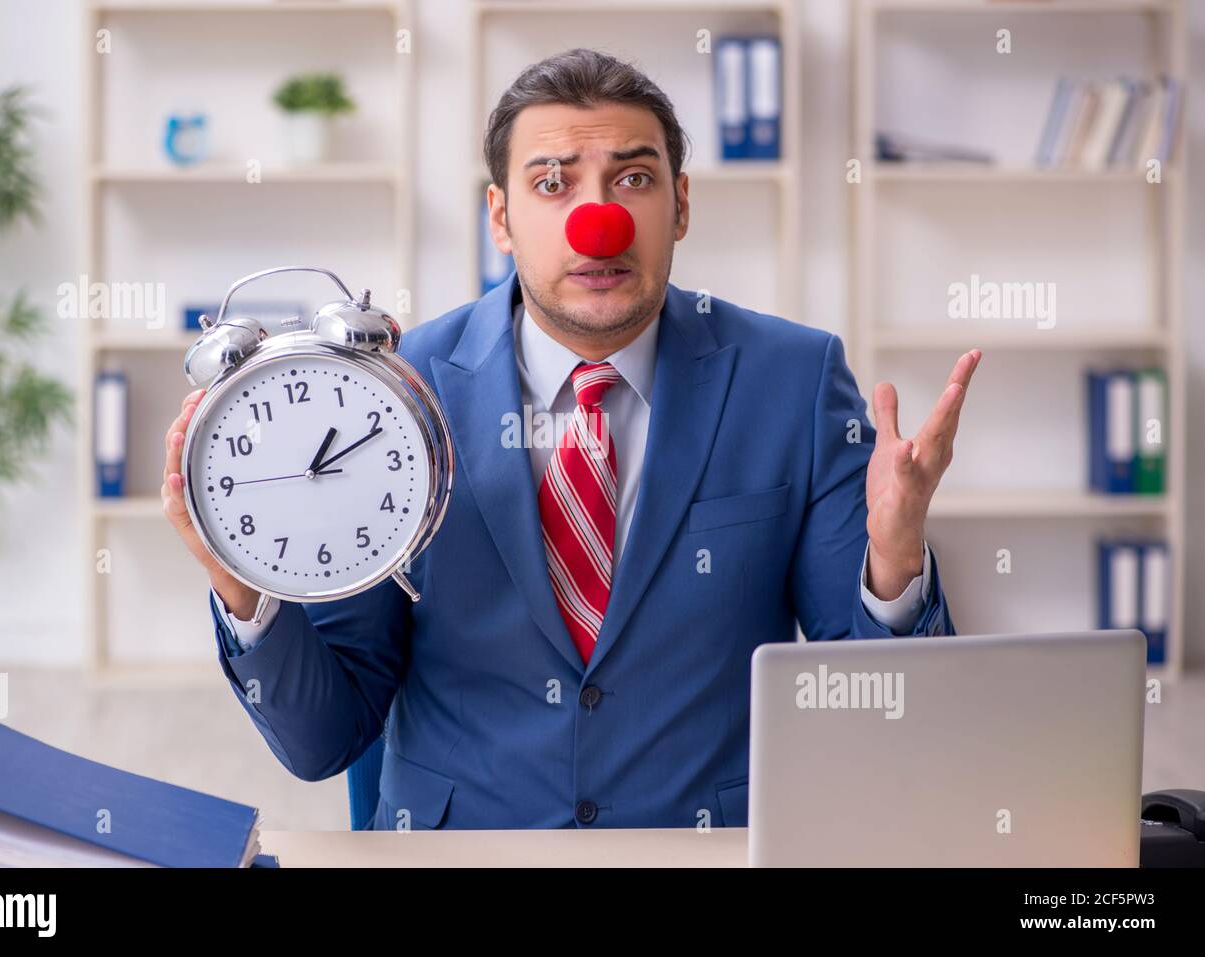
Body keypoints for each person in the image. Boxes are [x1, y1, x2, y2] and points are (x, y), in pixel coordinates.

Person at [160, 49, 980, 830]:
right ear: (501, 216)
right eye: (552, 183)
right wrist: (247, 587)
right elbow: (321, 740)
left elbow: (882, 721)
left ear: (682, 204)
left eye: (633, 177)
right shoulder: (392, 396)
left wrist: (895, 556)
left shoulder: (793, 380)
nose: (600, 221)